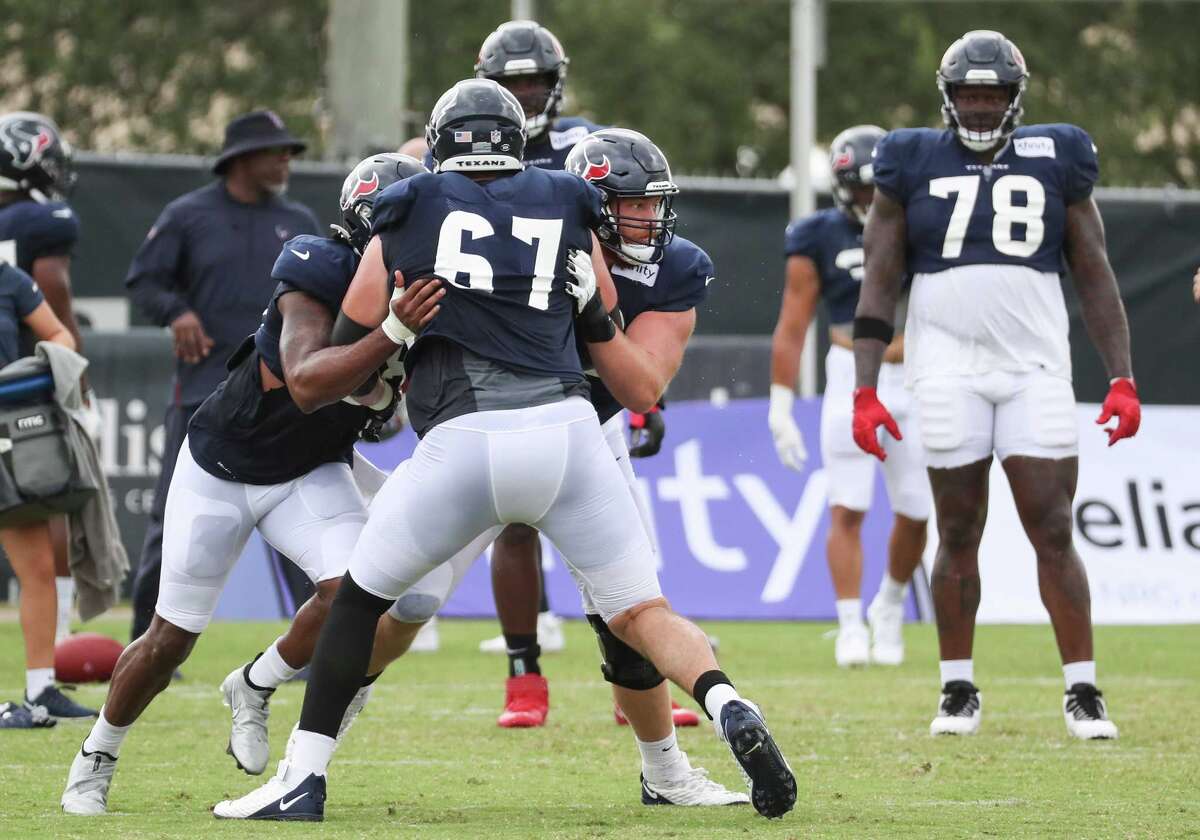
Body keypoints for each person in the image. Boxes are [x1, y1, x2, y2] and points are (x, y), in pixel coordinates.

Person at [211, 79, 795, 822]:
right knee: (640, 609)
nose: (644, 217)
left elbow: (353, 335)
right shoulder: (568, 204)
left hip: (465, 439)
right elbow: (607, 318)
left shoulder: (409, 205)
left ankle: (304, 772)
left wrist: (396, 339)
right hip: (570, 434)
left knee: (361, 598)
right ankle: (726, 701)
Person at [344, 128, 741, 807]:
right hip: (479, 426)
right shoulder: (527, 227)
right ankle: (332, 708)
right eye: (634, 206)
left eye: (653, 206)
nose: (649, 220)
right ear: (591, 205)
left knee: (626, 611)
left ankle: (666, 771)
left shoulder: (674, 267)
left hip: (587, 431)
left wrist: (592, 314)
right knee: (406, 601)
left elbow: (642, 388)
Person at [59, 153, 442, 814]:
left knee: (354, 596)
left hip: (310, 472)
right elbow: (306, 381)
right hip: (224, 467)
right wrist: (394, 332)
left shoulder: (430, 289)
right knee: (167, 640)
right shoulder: (316, 265)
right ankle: (98, 753)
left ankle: (255, 684)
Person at [852, 30, 1140, 739]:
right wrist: (865, 387)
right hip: (943, 366)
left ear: (1017, 98)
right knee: (956, 527)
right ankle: (957, 687)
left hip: (1034, 362)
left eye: (994, 96)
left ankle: (1083, 690)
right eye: (970, 96)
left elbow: (1095, 272)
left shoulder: (1058, 153)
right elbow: (881, 278)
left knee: (1052, 523)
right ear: (948, 99)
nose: (981, 109)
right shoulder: (908, 157)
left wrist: (1122, 377)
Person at [124, 110, 318, 644]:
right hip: (204, 389)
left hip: (282, 392)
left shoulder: (298, 218)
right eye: (276, 150)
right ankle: (146, 638)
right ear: (242, 159)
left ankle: (314, 644)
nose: (286, 159)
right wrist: (177, 312)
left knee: (299, 521)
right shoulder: (188, 215)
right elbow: (144, 280)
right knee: (172, 517)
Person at [769, 125, 930, 667]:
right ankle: (848, 623)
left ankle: (889, 603)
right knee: (849, 508)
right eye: (859, 191)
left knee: (916, 510)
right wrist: (780, 406)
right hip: (847, 375)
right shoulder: (816, 234)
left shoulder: (924, 221)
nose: (868, 200)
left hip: (916, 374)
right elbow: (793, 324)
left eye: (875, 188)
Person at [0, 111, 95, 647]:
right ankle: (54, 641)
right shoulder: (45, 221)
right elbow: (50, 282)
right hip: (24, 386)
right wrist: (73, 371)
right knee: (49, 496)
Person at [0, 260, 91, 728]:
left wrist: (26, 375)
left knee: (36, 566)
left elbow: (61, 338)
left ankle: (40, 689)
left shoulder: (6, 276)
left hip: (7, 437)